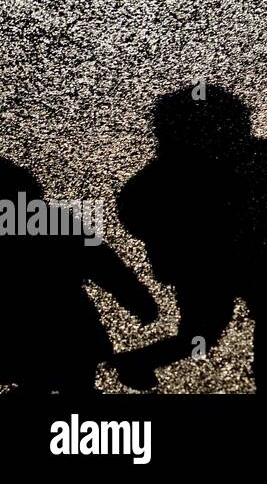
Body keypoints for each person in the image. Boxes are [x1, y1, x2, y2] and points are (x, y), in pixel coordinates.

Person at [114, 85, 267, 392]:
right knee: (261, 321)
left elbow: (132, 213)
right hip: (239, 264)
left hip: (207, 269)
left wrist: (165, 245)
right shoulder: (258, 158)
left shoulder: (163, 175)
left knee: (208, 333)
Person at [0, 156, 158, 392]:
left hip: (20, 333)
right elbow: (105, 265)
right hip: (71, 328)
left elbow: (104, 264)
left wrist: (137, 299)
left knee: (37, 381)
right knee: (75, 384)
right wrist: (138, 301)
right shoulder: (54, 220)